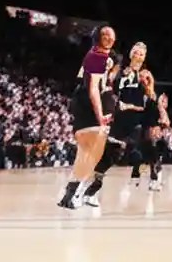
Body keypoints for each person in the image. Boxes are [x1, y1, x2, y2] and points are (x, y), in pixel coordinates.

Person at [81, 41, 148, 206]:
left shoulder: (145, 75)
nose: (137, 55)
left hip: (134, 121)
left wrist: (136, 103)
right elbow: (108, 89)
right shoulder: (120, 70)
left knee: (131, 150)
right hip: (117, 117)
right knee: (109, 157)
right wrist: (117, 104)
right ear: (131, 53)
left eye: (141, 53)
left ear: (144, 57)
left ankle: (135, 174)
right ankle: (89, 190)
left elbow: (147, 101)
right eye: (135, 52)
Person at [58, 26, 116, 209]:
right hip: (90, 109)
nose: (109, 37)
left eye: (111, 34)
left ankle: (70, 193)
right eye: (104, 34)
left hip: (86, 107)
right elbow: (92, 90)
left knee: (85, 153)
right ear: (97, 37)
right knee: (94, 153)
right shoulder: (96, 56)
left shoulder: (98, 57)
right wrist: (100, 115)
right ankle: (78, 193)